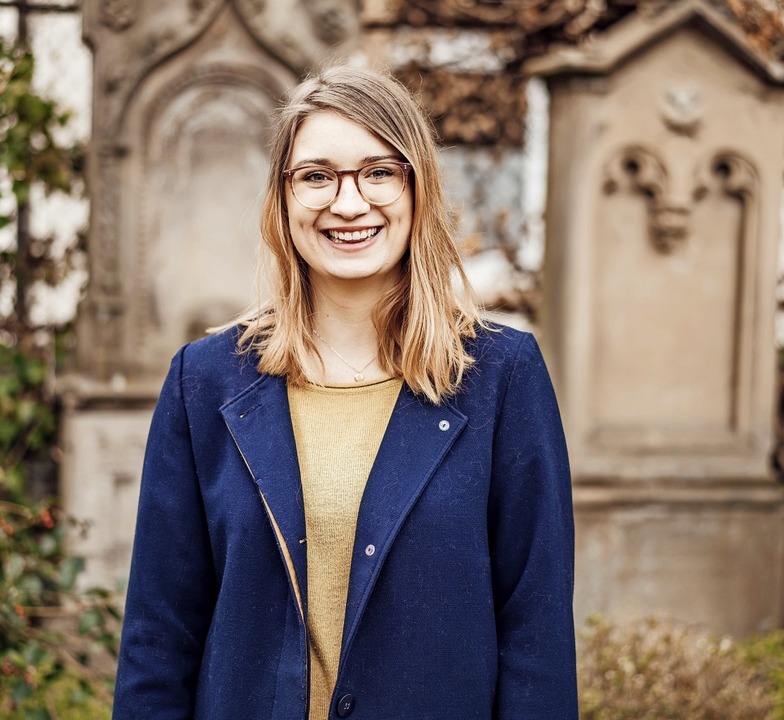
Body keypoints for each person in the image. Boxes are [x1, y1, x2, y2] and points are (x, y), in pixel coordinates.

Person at [112, 65, 577, 720]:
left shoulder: (501, 376)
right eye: (317, 176)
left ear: (418, 188)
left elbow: (536, 633)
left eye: (379, 172)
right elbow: (160, 639)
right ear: (284, 197)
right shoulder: (205, 381)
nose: (348, 203)